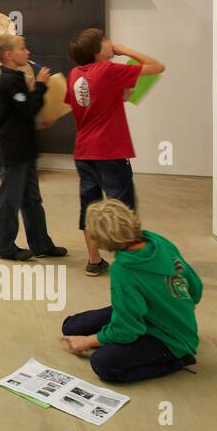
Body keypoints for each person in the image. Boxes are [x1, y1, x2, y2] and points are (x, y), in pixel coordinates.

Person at [59, 199, 201, 383]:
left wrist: (89, 341)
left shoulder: (123, 270)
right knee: (71, 327)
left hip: (170, 340)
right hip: (148, 316)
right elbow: (195, 288)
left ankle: (179, 359)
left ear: (102, 241)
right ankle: (130, 311)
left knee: (103, 363)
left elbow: (127, 330)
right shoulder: (157, 241)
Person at [64, 28, 165, 276]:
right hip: (109, 151)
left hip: (84, 151)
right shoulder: (108, 70)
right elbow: (157, 66)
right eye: (106, 41)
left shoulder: (75, 74)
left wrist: (117, 94)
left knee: (90, 206)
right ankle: (130, 264)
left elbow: (90, 101)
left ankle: (94, 260)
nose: (111, 43)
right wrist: (123, 50)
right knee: (123, 208)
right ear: (99, 51)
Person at [0, 34, 66, 261]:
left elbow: (23, 111)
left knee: (32, 199)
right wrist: (42, 86)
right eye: (22, 49)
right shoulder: (8, 81)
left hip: (25, 147)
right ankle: (4, 246)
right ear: (8, 55)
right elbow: (28, 107)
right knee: (9, 199)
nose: (28, 52)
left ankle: (41, 243)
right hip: (15, 149)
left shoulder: (17, 78)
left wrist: (40, 118)